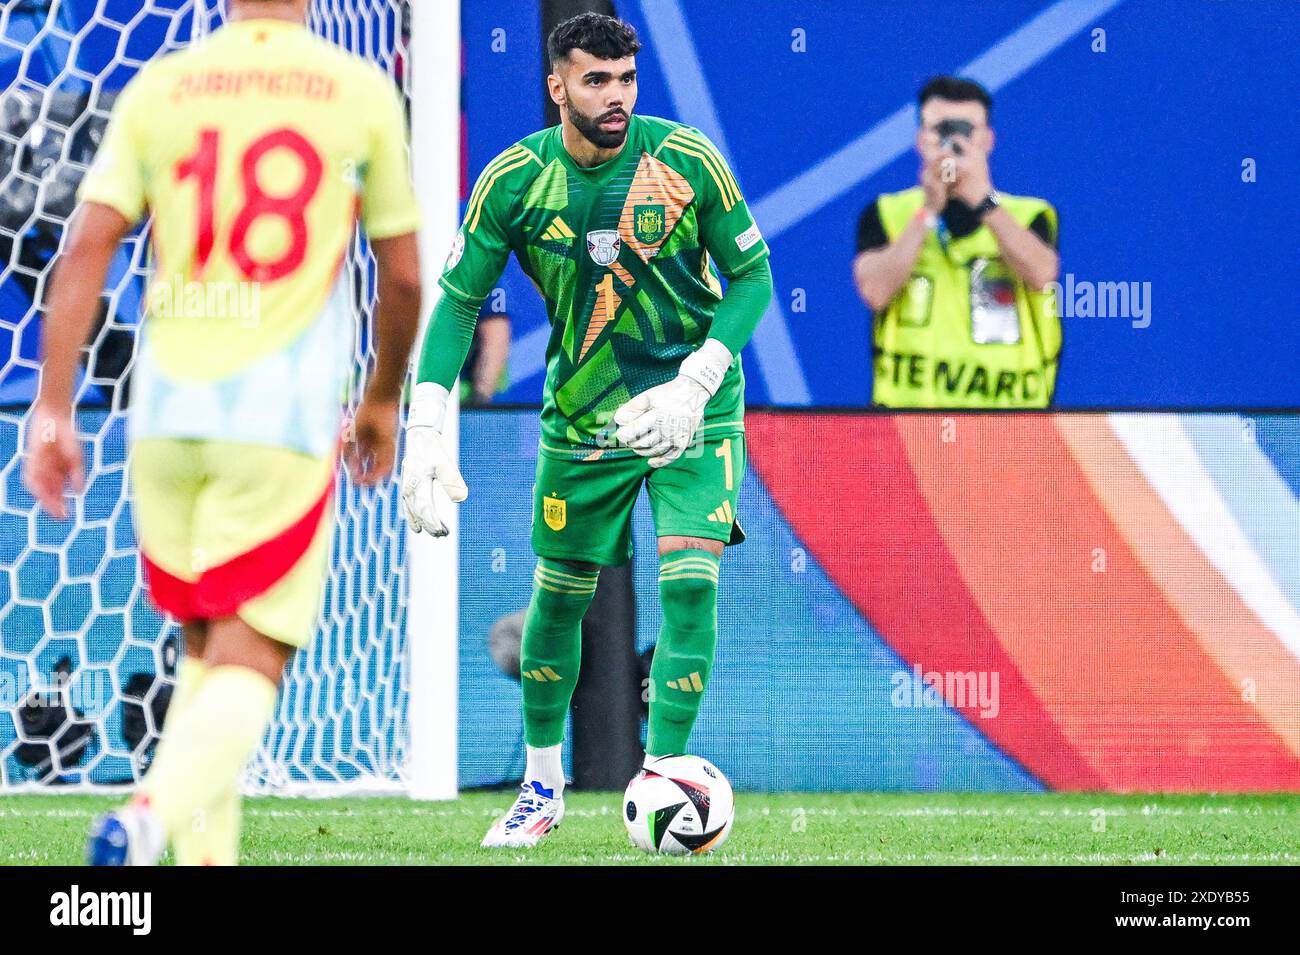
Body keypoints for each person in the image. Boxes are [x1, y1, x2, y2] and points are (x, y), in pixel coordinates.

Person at [23, 0, 422, 865]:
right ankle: (147, 822)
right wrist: (383, 398)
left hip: (163, 414)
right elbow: (402, 276)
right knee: (253, 657)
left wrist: (52, 406)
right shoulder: (357, 89)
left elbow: (88, 245)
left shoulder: (162, 86)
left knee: (205, 647)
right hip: (277, 416)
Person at [402, 12, 773, 848]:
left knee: (689, 584)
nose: (616, 96)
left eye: (627, 79)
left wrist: (698, 378)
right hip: (586, 412)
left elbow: (752, 276)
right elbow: (461, 300)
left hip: (694, 402)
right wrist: (427, 420)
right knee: (557, 600)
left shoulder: (685, 159)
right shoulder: (514, 181)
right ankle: (541, 785)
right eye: (597, 80)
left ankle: (664, 775)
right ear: (557, 85)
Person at [853, 76, 1061, 407]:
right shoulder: (889, 213)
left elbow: (1041, 273)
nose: (953, 143)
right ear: (921, 140)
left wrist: (983, 199)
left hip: (1012, 428)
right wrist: (928, 213)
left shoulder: (1028, 214)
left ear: (988, 140)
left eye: (966, 131)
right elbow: (875, 291)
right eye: (941, 131)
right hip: (910, 430)